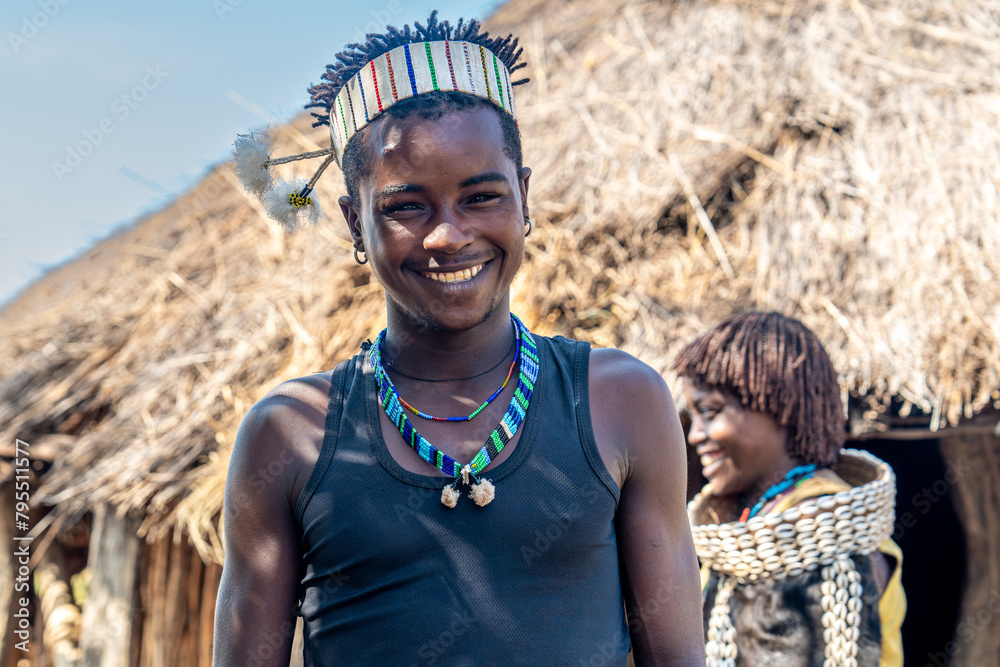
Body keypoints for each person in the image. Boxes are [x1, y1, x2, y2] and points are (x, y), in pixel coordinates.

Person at [213, 13, 704, 666]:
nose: (448, 234)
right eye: (406, 207)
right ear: (354, 224)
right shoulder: (289, 435)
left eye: (481, 197)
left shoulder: (623, 402)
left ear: (524, 198)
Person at [674, 311, 905, 667]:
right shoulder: (755, 520)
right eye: (693, 416)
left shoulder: (825, 538)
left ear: (777, 404)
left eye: (711, 411)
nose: (695, 435)